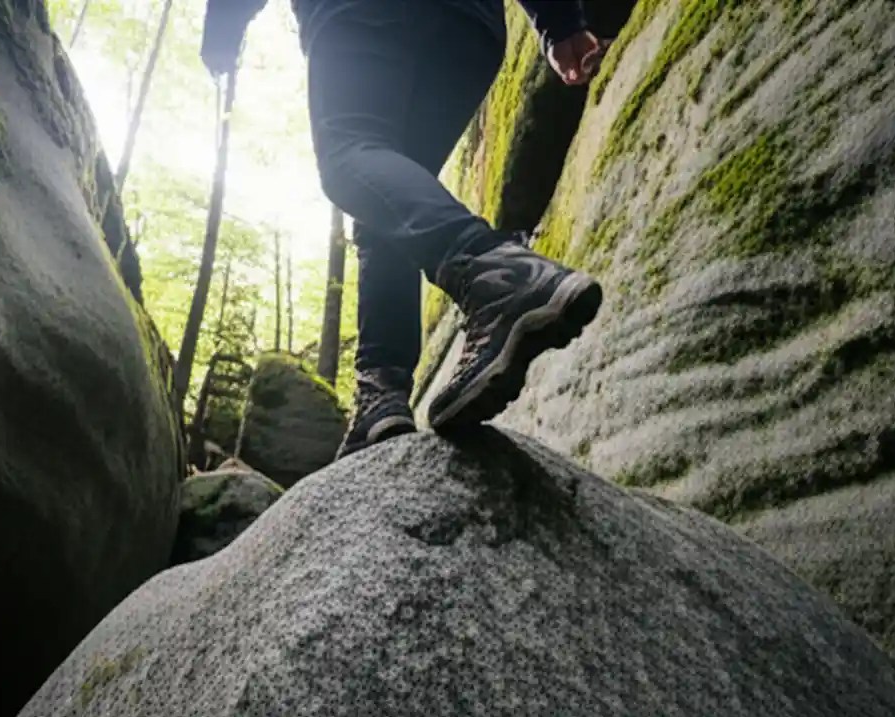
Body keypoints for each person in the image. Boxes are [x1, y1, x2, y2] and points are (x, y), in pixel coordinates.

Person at [203, 0, 619, 458]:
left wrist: (222, 26)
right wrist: (559, 22)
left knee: (348, 154)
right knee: (389, 197)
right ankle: (381, 394)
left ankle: (496, 275)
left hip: (361, 15)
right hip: (468, 29)